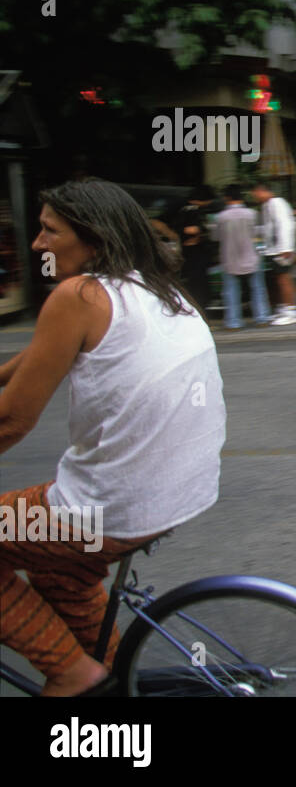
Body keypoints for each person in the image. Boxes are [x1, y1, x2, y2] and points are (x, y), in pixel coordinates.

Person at [0, 179, 225, 695]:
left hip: (108, 510)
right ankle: (115, 675)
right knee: (61, 575)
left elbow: (12, 423)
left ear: (94, 240)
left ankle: (73, 673)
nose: (37, 244)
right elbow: (41, 355)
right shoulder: (155, 290)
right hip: (177, 493)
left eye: (49, 231)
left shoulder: (76, 295)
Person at [213, 184, 271, 329]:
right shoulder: (252, 214)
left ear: (227, 198)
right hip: (251, 256)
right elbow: (260, 232)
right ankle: (262, 318)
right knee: (257, 288)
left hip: (229, 258)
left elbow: (215, 237)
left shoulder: (220, 217)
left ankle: (233, 322)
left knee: (231, 291)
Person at [251, 181, 296, 326]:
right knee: (277, 279)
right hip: (273, 249)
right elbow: (268, 228)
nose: (254, 196)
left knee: (283, 278)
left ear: (262, 190)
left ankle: (291, 311)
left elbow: (285, 225)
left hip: (281, 249)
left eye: (255, 192)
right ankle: (283, 308)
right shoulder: (267, 205)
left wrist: (286, 248)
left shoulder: (276, 203)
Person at [172, 185, 218, 318]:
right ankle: (202, 313)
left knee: (193, 284)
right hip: (195, 255)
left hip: (189, 255)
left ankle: (198, 312)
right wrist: (202, 233)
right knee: (199, 286)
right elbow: (191, 230)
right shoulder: (192, 211)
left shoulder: (182, 209)